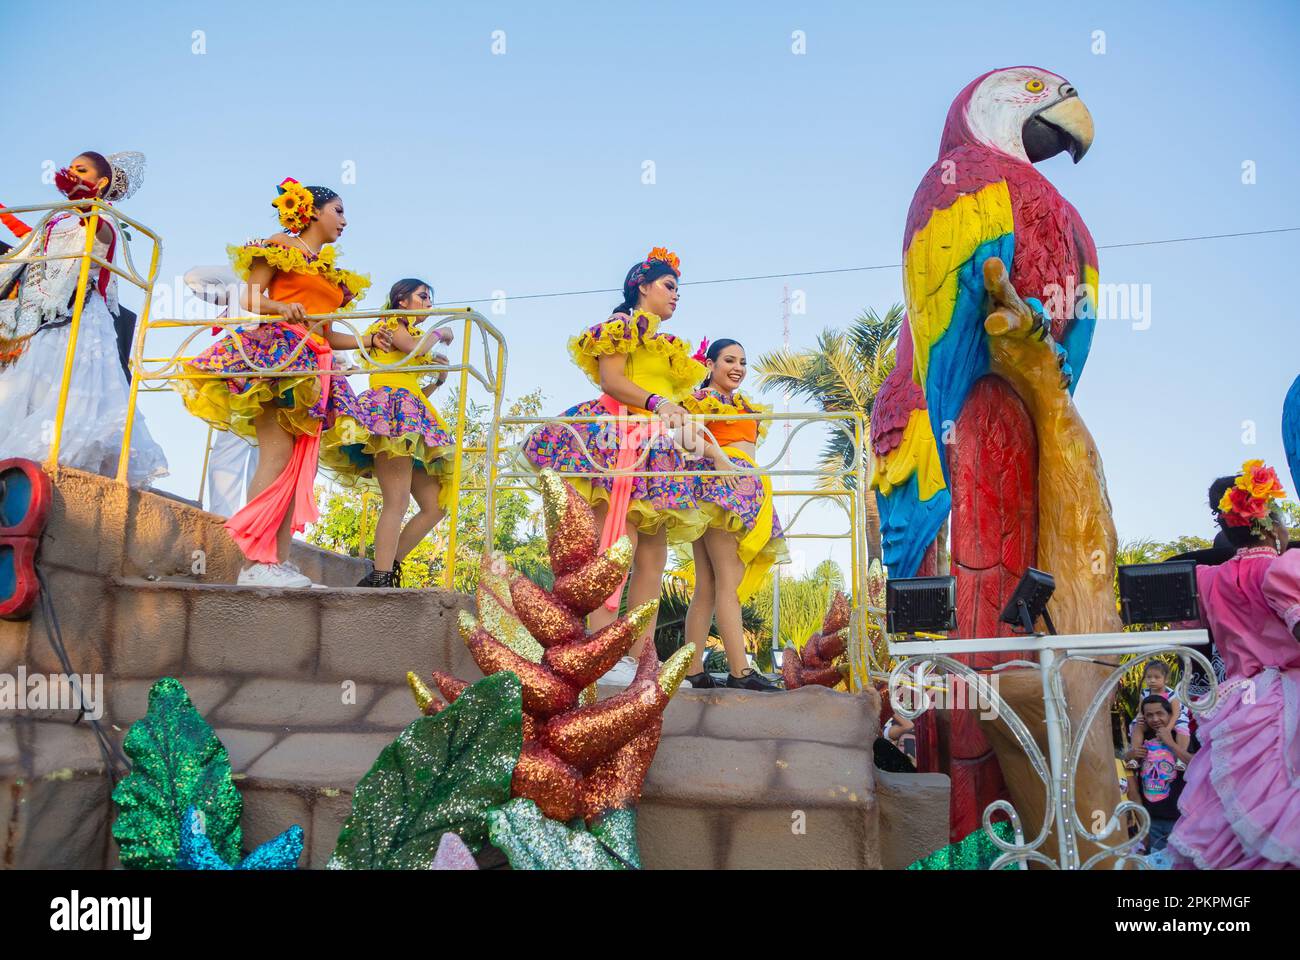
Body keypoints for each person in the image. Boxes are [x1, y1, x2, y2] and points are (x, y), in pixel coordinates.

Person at [171, 178, 376, 588]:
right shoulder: (279, 245)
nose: (345, 221)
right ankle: (255, 563)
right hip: (279, 357)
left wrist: (367, 340)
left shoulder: (332, 272)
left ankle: (276, 562)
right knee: (277, 456)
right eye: (338, 210)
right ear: (312, 211)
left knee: (302, 466)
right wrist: (283, 307)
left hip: (317, 364)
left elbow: (326, 331)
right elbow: (249, 297)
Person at [522, 247, 707, 684]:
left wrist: (700, 446)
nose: (676, 295)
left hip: (656, 451)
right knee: (612, 551)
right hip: (614, 439)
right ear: (642, 287)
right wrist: (658, 402)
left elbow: (676, 408)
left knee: (653, 558)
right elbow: (613, 382)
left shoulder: (670, 347)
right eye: (669, 286)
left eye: (679, 289)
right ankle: (599, 652)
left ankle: (638, 658)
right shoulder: (620, 327)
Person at [0, 151, 168, 485]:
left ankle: (53, 454)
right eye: (71, 168)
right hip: (44, 315)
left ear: (102, 181)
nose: (72, 173)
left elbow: (102, 236)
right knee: (30, 383)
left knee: (72, 386)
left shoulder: (102, 217)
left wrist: (86, 202)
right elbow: (29, 241)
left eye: (82, 170)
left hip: (80, 314)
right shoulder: (56, 217)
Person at [1168, 461, 1300, 869]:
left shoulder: (1206, 579)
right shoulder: (1284, 567)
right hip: (1287, 701)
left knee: (1227, 811)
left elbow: (1183, 637)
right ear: (1272, 527)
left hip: (1235, 704)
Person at [323, 278, 456, 587]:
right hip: (388, 416)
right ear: (402, 300)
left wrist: (436, 382)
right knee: (396, 501)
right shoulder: (390, 322)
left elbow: (413, 393)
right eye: (422, 296)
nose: (428, 304)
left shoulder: (412, 335)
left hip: (411, 417)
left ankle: (387, 566)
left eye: (429, 299)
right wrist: (439, 333)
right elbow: (411, 349)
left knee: (436, 506)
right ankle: (381, 576)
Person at [679, 338, 787, 691]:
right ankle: (741, 672)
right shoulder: (700, 400)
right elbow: (685, 435)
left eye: (742, 361)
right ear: (709, 364)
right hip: (723, 492)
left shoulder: (742, 404)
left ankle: (693, 669)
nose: (738, 367)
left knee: (708, 584)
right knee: (729, 581)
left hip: (739, 490)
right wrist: (718, 456)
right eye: (729, 360)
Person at [1125, 696, 1192, 853]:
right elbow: (1129, 770)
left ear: (1170, 715)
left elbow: (1198, 763)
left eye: (1159, 713)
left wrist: (1171, 744)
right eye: (1149, 715)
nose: (1155, 719)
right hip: (1151, 820)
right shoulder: (1141, 739)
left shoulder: (1183, 736)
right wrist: (1130, 755)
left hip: (1180, 820)